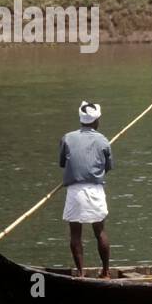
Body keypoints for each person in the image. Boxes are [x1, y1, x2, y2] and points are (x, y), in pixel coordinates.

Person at [59, 100, 112, 278]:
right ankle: (105, 272)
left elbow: (62, 163)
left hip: (74, 190)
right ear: (96, 121)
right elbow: (108, 167)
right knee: (100, 231)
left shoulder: (67, 138)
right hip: (95, 189)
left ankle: (81, 274)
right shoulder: (103, 140)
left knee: (75, 234)